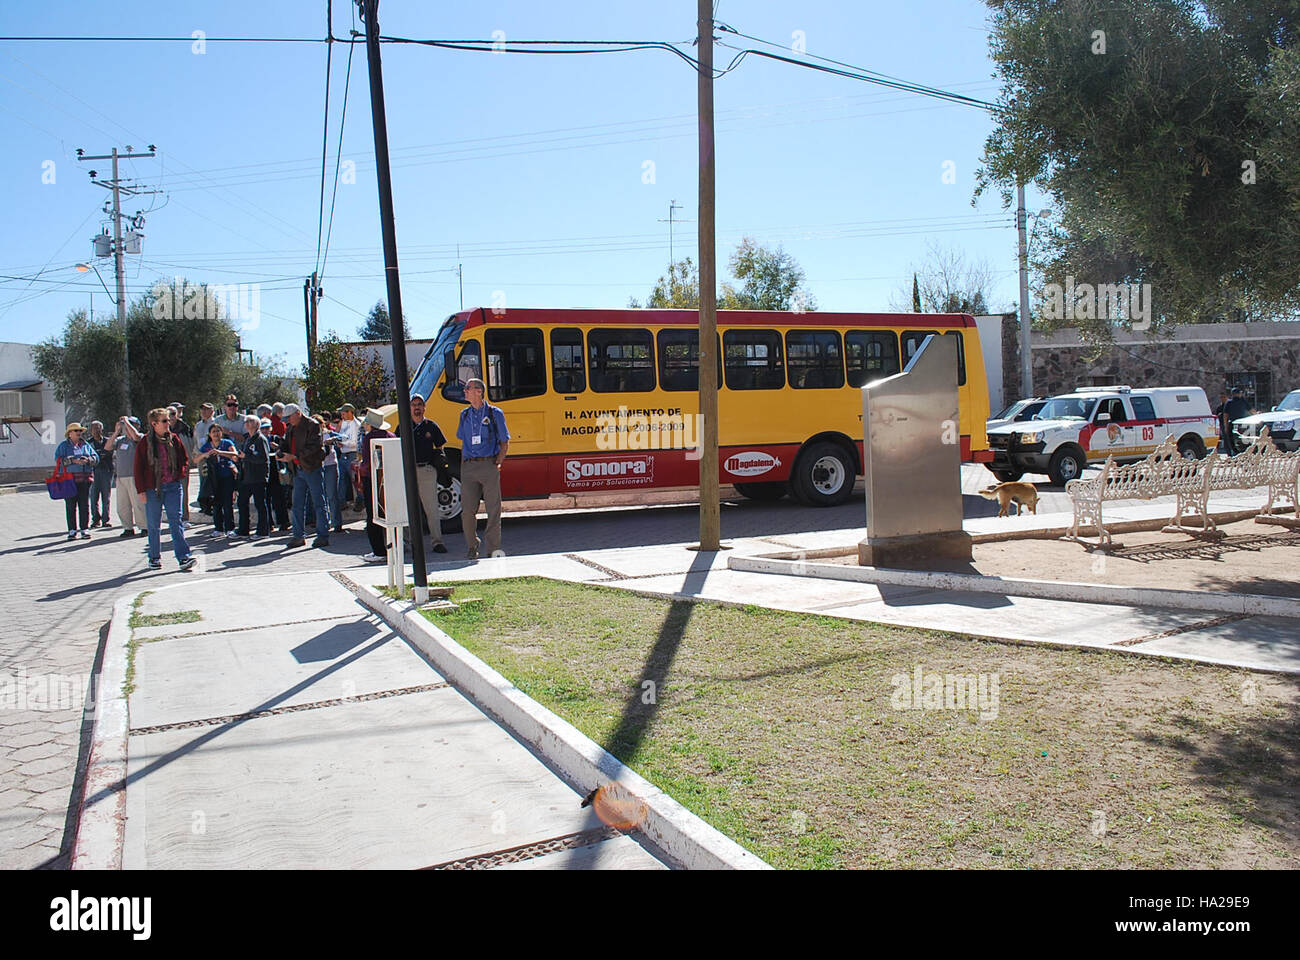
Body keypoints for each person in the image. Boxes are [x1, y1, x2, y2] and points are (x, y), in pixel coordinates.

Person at [134, 407, 197, 571]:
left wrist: (179, 474)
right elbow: (138, 468)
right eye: (164, 421)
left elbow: (184, 459)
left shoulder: (174, 439)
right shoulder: (145, 442)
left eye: (168, 420)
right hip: (152, 489)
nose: (168, 423)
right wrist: (141, 491)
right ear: (154, 424)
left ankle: (183, 557)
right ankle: (154, 558)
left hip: (173, 487)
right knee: (154, 525)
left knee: (176, 522)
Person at [456, 378, 510, 560]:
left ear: (478, 391)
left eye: (467, 388)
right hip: (469, 466)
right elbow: (462, 440)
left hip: (489, 464)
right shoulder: (464, 415)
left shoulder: (495, 413)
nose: (464, 392)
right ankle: (472, 545)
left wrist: (498, 462)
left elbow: (504, 441)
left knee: (493, 509)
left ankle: (493, 548)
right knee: (467, 510)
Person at [399, 393, 449, 554]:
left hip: (426, 470)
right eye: (414, 405)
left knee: (432, 509)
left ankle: (437, 542)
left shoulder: (431, 426)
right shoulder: (403, 427)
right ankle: (408, 543)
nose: (417, 408)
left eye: (420, 404)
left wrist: (439, 461)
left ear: (424, 407)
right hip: (408, 471)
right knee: (408, 509)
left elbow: (441, 446)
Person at [279, 403, 330, 548]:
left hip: (312, 468)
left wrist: (294, 456)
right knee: (297, 504)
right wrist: (281, 452)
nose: (288, 420)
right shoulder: (291, 427)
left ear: (298, 413)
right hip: (298, 469)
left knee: (319, 503)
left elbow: (315, 447)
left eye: (289, 417)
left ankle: (322, 535)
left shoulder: (312, 425)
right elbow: (286, 443)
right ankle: (298, 536)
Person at [356, 409, 392, 563]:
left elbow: (367, 463)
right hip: (389, 479)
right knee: (390, 516)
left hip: (372, 480)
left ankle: (379, 551)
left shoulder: (369, 438)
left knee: (373, 516)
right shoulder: (390, 436)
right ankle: (393, 547)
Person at [54, 423, 98, 540]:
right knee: (70, 505)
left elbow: (96, 457)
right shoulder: (63, 446)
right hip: (69, 480)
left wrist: (88, 460)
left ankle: (84, 529)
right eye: (76, 430)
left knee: (84, 505)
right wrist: (72, 460)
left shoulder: (85, 444)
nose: (79, 433)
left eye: (80, 430)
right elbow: (58, 460)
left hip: (84, 479)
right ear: (69, 433)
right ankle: (72, 530)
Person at [195, 423, 240, 538]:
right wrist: (206, 454)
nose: (216, 433)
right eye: (213, 431)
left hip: (227, 475)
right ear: (209, 434)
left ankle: (230, 528)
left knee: (228, 503)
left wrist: (221, 453)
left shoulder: (227, 443)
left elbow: (235, 455)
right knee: (216, 503)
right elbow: (196, 459)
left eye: (218, 431)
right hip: (213, 478)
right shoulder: (206, 446)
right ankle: (218, 528)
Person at [236, 414, 272, 539]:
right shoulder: (247, 439)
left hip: (258, 477)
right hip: (247, 477)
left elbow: (263, 458)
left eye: (250, 421)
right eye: (245, 421)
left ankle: (263, 531)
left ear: (256, 424)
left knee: (260, 504)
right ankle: (243, 529)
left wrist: (246, 457)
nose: (246, 423)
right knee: (242, 502)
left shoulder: (260, 439)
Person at [107, 415, 144, 537]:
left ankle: (144, 526)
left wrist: (127, 422)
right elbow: (107, 447)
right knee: (122, 505)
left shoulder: (140, 438)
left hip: (135, 476)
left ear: (137, 426)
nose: (127, 427)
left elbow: (135, 436)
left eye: (131, 425)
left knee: (138, 503)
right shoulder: (121, 440)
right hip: (121, 476)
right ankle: (128, 527)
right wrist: (116, 432)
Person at [318, 413, 346, 535]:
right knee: (321, 496)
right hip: (318, 466)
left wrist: (333, 440)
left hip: (330, 465)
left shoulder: (328, 433)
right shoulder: (310, 436)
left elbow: (343, 437)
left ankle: (337, 523)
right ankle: (325, 522)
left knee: (331, 495)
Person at [87, 420, 115, 528]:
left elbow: (108, 452)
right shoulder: (88, 443)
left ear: (101, 429)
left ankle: (105, 519)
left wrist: (100, 455)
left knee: (106, 496)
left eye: (98, 428)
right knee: (93, 497)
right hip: (93, 472)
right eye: (94, 428)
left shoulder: (108, 441)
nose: (96, 430)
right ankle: (95, 520)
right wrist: (100, 454)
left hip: (106, 471)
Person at [336, 403, 361, 510]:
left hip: (352, 454)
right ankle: (342, 502)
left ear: (350, 413)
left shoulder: (356, 425)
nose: (342, 416)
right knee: (341, 479)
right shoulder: (344, 424)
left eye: (344, 413)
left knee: (355, 480)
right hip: (344, 454)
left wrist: (343, 444)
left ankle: (360, 500)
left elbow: (355, 443)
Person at [194, 402, 217, 514]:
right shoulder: (198, 425)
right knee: (203, 479)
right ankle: (204, 504)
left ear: (212, 411)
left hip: (212, 456)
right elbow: (195, 441)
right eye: (202, 409)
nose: (204, 412)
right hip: (201, 456)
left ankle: (211, 503)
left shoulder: (215, 423)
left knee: (211, 479)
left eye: (207, 409)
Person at [1221, 387, 1252, 455]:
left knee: (1232, 440)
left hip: (1233, 424)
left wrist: (1225, 426)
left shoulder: (1229, 403)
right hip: (1243, 424)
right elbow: (1252, 411)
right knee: (1244, 440)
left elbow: (1225, 416)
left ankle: (1233, 454)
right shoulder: (1243, 402)